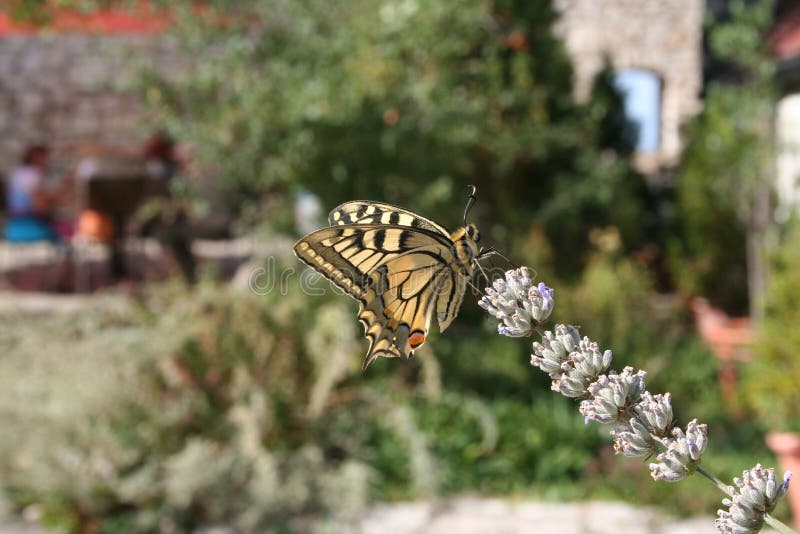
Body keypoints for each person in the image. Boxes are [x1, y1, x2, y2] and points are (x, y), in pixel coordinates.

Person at [3, 144, 68, 242]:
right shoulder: (33, 175)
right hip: (32, 229)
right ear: (37, 157)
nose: (48, 162)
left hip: (12, 229)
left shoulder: (17, 174)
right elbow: (39, 205)